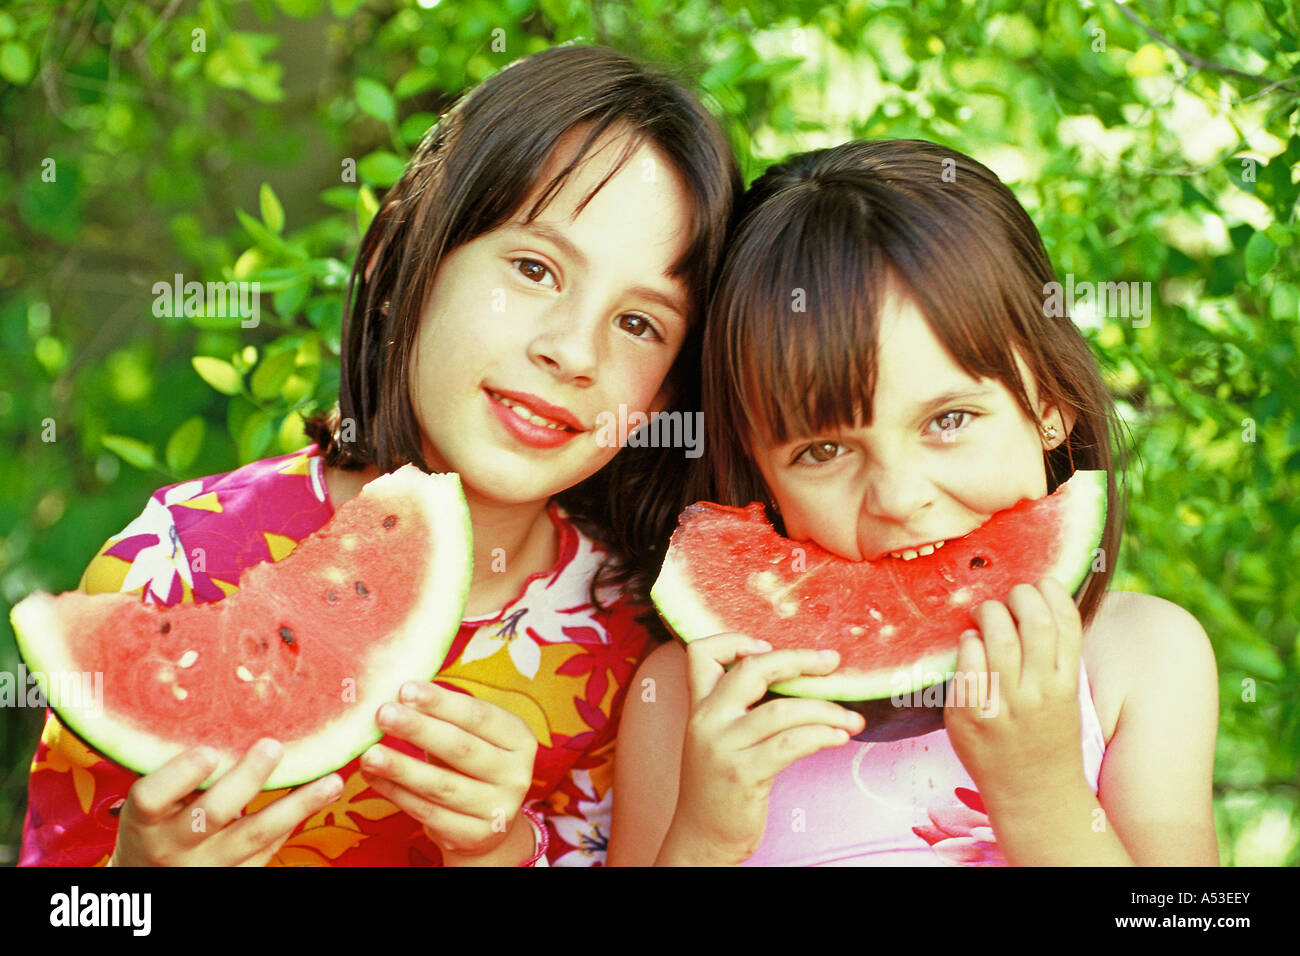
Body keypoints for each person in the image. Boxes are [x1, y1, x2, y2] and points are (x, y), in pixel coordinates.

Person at [20, 43, 741, 867]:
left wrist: (495, 848)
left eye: (640, 322)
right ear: (407, 263)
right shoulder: (176, 556)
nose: (574, 352)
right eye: (536, 269)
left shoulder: (633, 646)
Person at [609, 139, 1219, 866]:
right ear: (759, 475)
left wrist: (1039, 795)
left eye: (948, 421)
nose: (898, 497)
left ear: (1050, 404)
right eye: (823, 451)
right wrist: (703, 840)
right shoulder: (688, 700)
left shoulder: (1141, 659)